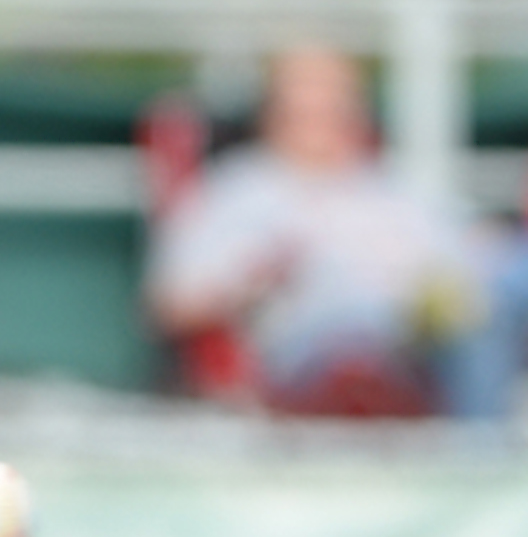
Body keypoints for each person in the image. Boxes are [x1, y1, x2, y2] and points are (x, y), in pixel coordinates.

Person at [144, 44, 503, 419]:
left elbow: (468, 261)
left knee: (496, 300)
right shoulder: (239, 190)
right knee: (359, 328)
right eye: (304, 114)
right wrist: (256, 276)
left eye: (333, 111)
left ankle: (483, 459)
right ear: (272, 116)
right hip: (308, 341)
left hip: (421, 340)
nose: (321, 126)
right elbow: (168, 303)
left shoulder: (394, 192)